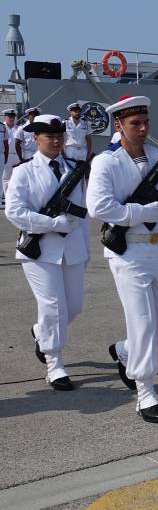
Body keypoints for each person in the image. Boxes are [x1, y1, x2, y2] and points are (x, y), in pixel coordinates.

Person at [87, 95, 158, 423]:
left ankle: (125, 351)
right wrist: (140, 213)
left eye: (146, 122)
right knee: (143, 322)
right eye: (135, 123)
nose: (143, 128)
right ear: (119, 125)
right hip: (127, 251)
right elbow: (98, 207)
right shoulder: (106, 162)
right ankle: (145, 389)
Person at [4, 114, 89, 390]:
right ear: (35, 138)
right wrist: (51, 224)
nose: (55, 140)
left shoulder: (75, 168)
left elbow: (85, 211)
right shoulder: (23, 171)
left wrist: (85, 245)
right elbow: (14, 212)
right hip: (39, 250)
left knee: (73, 307)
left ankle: (41, 331)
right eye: (49, 136)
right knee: (53, 306)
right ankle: (55, 364)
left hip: (72, 248)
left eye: (59, 136)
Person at [0, 108, 10, 208]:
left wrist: (6, 155)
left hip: (1, 155)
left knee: (0, 178)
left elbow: (6, 143)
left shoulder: (2, 127)